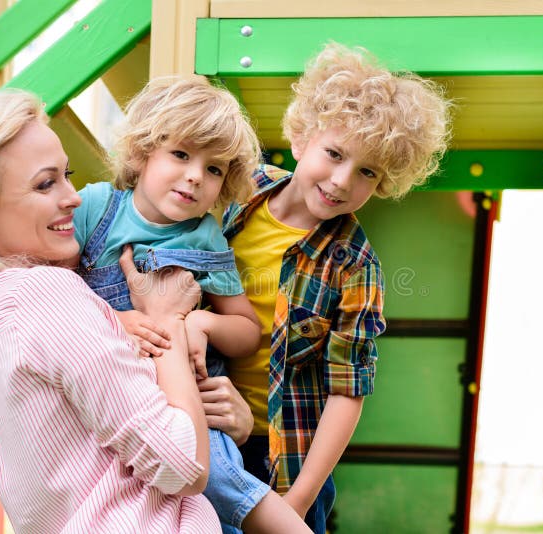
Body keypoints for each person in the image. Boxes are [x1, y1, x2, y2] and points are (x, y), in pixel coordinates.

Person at [0, 89, 227, 533]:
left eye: (66, 175)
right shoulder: (45, 296)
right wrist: (169, 321)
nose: (73, 197)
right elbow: (185, 463)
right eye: (45, 183)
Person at [222, 42, 452, 533]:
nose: (342, 181)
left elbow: (348, 391)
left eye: (367, 171)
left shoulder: (355, 265)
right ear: (302, 138)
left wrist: (299, 499)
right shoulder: (236, 196)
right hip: (206, 427)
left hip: (283, 461)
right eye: (335, 154)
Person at [71, 76, 310, 534]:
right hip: (117, 390)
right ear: (143, 153)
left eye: (215, 169)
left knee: (217, 479)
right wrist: (116, 318)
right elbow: (57, 293)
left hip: (190, 398)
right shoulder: (96, 209)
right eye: (180, 155)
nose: (196, 175)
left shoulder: (204, 235)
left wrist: (200, 321)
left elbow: (245, 330)